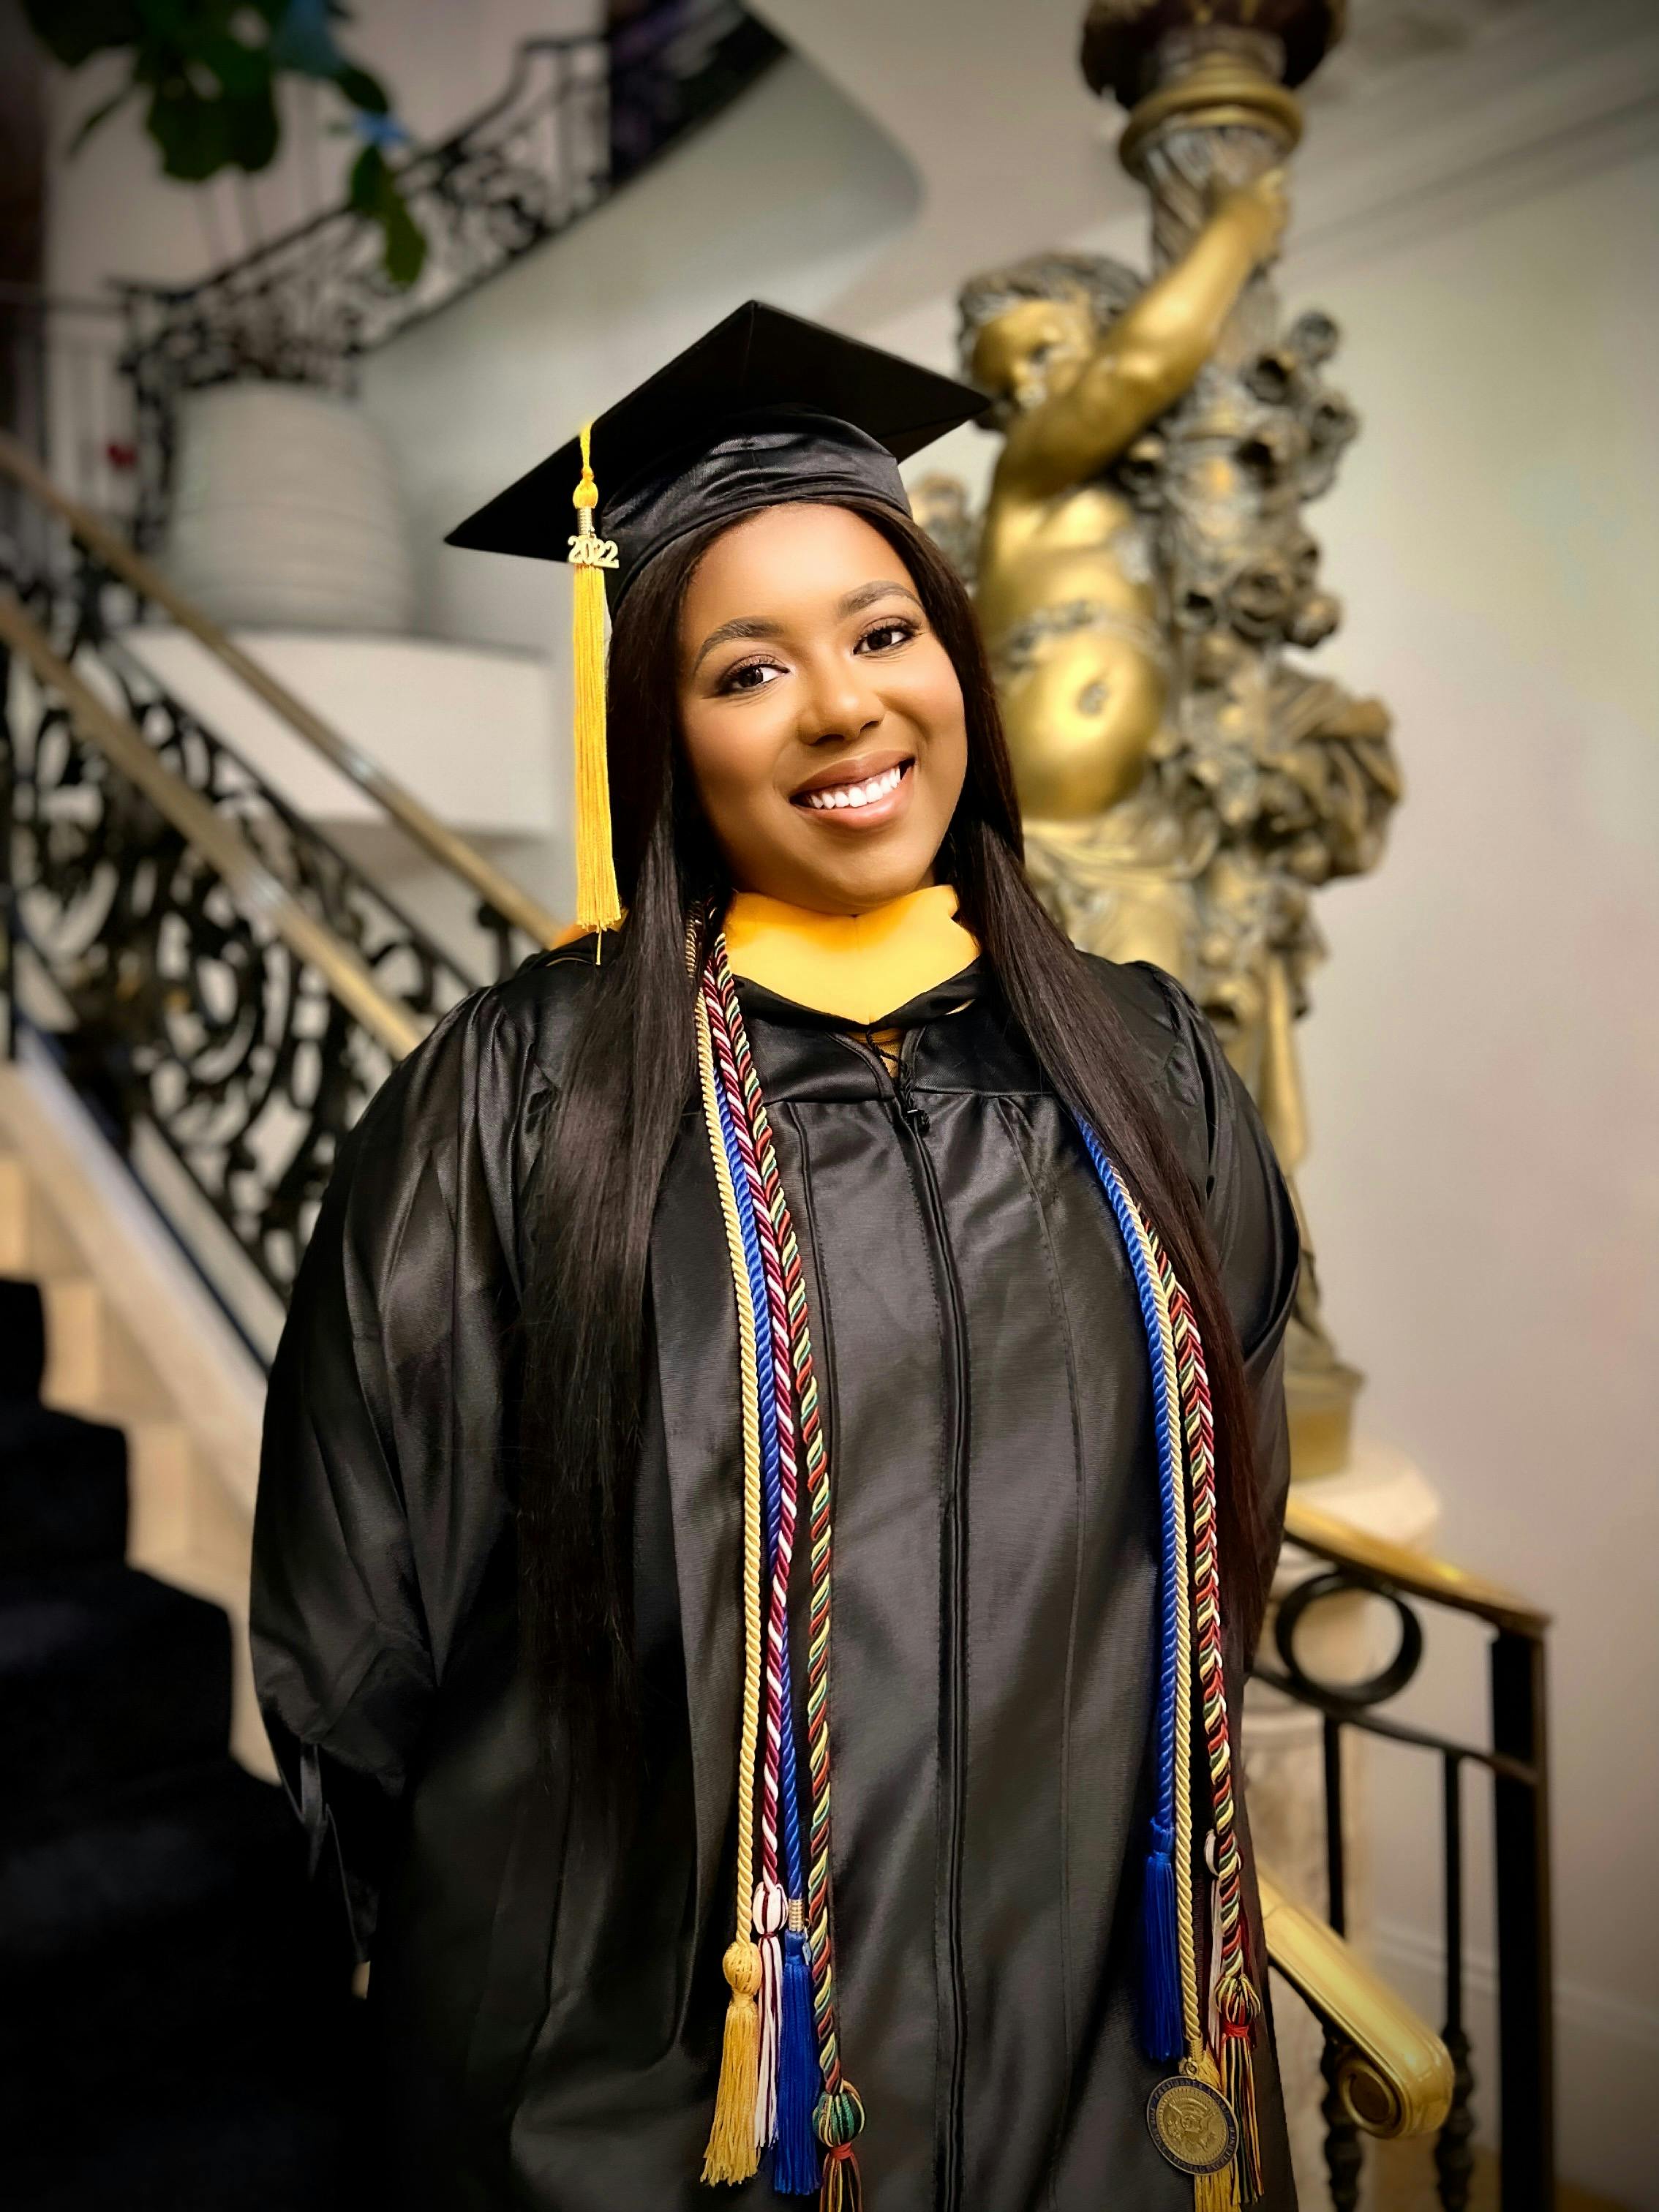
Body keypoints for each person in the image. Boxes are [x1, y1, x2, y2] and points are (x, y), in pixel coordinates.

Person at [251, 301, 1301, 2211]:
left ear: (951, 661)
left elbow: (1214, 1537)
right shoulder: (522, 1101)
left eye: (884, 632)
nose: (844, 709)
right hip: (638, 2120)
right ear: (658, 719)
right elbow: (354, 1654)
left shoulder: (1136, 1067)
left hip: (1075, 2094)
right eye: (747, 668)